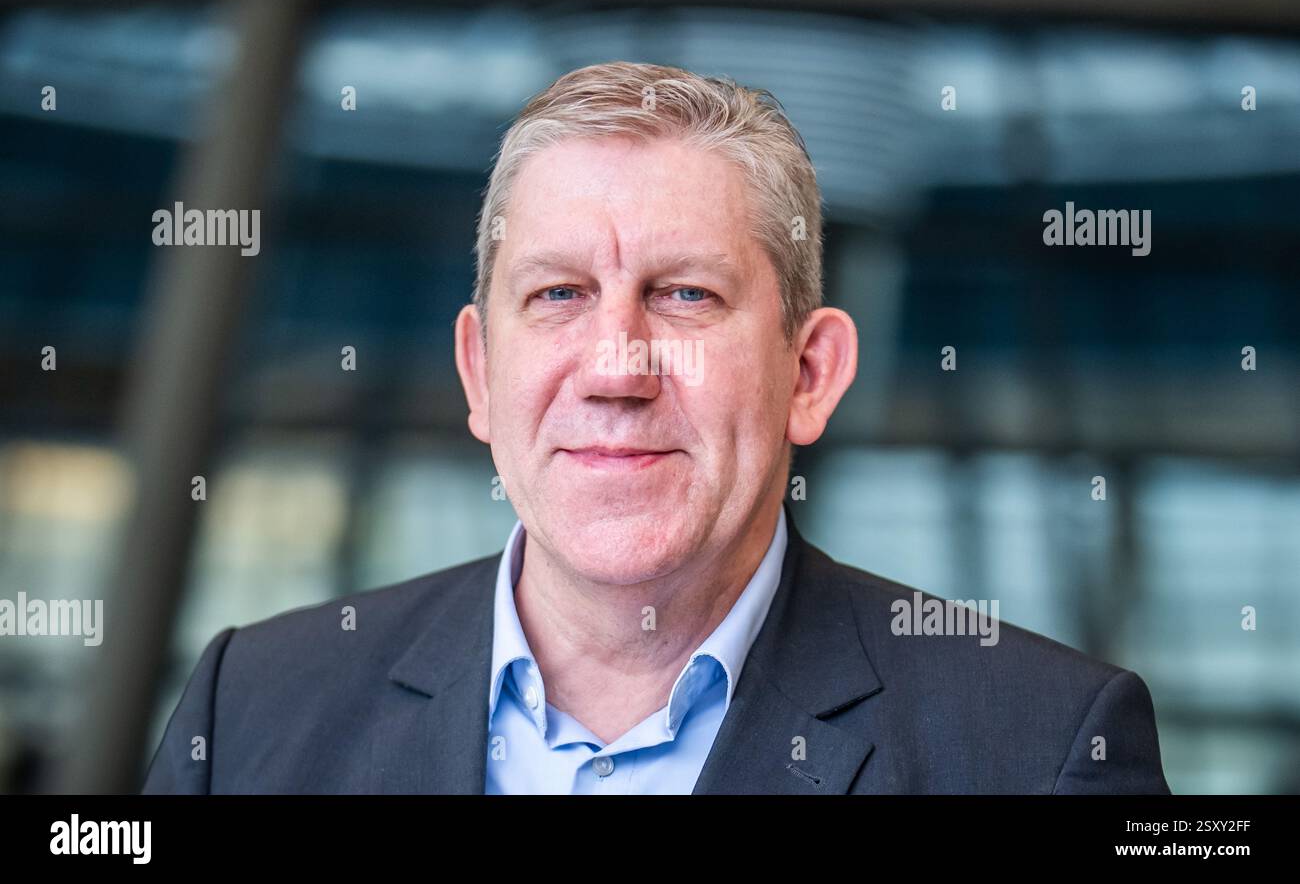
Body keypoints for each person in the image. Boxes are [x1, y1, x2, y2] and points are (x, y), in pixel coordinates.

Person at [142, 61, 1170, 794]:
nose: (616, 367)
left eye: (683, 294)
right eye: (556, 294)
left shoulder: (1039, 748)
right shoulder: (252, 709)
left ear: (809, 372)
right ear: (479, 371)